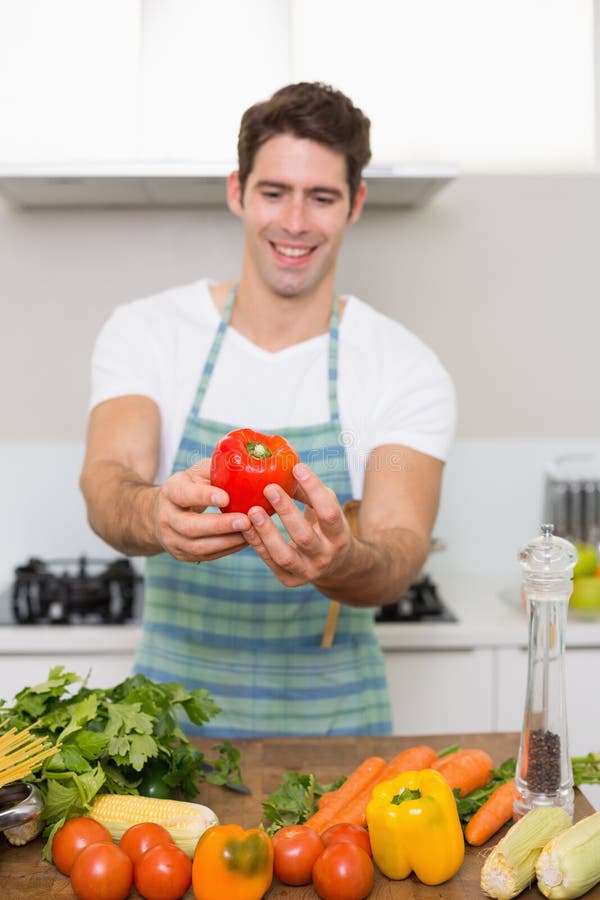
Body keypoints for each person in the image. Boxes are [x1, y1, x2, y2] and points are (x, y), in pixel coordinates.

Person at [80, 82, 455, 738]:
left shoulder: (404, 364)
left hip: (341, 734)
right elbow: (107, 478)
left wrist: (337, 562)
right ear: (238, 191)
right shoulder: (148, 331)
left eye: (322, 197)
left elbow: (400, 549)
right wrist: (155, 514)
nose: (295, 222)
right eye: (275, 192)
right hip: (164, 729)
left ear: (355, 205)